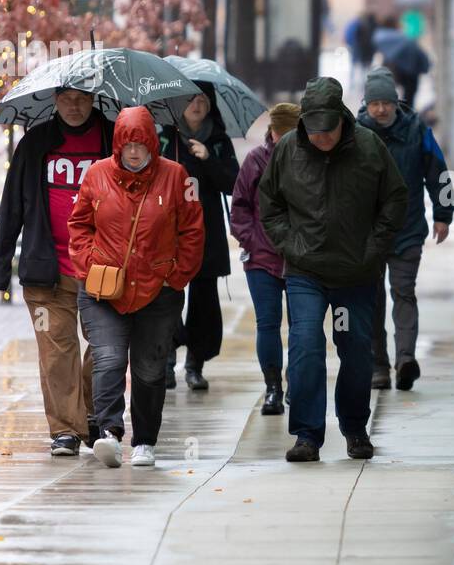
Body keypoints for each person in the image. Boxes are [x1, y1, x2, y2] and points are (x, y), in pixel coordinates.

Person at [258, 77, 407, 463]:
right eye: (313, 129)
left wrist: (374, 249)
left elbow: (395, 199)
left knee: (355, 349)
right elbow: (268, 203)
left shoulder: (369, 148)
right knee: (306, 346)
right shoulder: (289, 149)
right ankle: (307, 434)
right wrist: (289, 244)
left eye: (328, 129)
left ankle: (355, 428)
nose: (321, 137)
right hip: (306, 273)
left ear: (341, 118)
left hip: (353, 276)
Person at [69, 107, 205, 468]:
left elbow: (192, 230)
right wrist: (87, 264)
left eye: (141, 144)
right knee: (109, 357)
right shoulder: (97, 175)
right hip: (105, 289)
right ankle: (108, 433)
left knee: (148, 368)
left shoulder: (175, 176)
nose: (134, 151)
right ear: (117, 144)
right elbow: (79, 224)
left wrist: (175, 276)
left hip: (158, 291)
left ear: (152, 145)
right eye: (127, 144)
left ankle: (145, 440)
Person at [0, 89, 112, 457]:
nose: (74, 106)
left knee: (107, 348)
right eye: (66, 99)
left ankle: (89, 413)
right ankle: (65, 429)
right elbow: (11, 205)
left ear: (94, 100)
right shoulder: (36, 143)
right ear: (55, 100)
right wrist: (0, 271)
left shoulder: (113, 139)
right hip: (48, 270)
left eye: (81, 99)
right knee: (57, 351)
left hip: (102, 267)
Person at [356, 67, 454, 391]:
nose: (381, 109)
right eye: (375, 104)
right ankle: (377, 366)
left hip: (408, 228)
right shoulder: (353, 133)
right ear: (366, 104)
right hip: (367, 233)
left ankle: (405, 359)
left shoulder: (417, 130)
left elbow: (437, 173)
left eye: (386, 102)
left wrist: (443, 214)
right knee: (371, 299)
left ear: (396, 102)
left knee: (403, 292)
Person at [158, 87, 239, 391]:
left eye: (203, 100)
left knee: (204, 300)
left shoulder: (218, 140)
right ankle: (166, 359)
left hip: (207, 231)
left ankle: (195, 364)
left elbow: (234, 184)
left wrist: (207, 159)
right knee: (167, 295)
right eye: (191, 99)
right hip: (169, 232)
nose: (197, 105)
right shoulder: (165, 137)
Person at [231, 102, 302, 415]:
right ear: (272, 130)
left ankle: (296, 383)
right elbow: (240, 206)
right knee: (268, 324)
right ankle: (273, 387)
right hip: (261, 258)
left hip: (302, 258)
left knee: (303, 326)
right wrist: (251, 239)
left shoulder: (308, 159)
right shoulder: (256, 160)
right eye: (280, 130)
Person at [371, 15, 430, 106]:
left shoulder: (380, 37)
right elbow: (417, 53)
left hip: (394, 70)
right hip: (408, 70)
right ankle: (406, 113)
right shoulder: (402, 39)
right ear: (394, 25)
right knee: (409, 95)